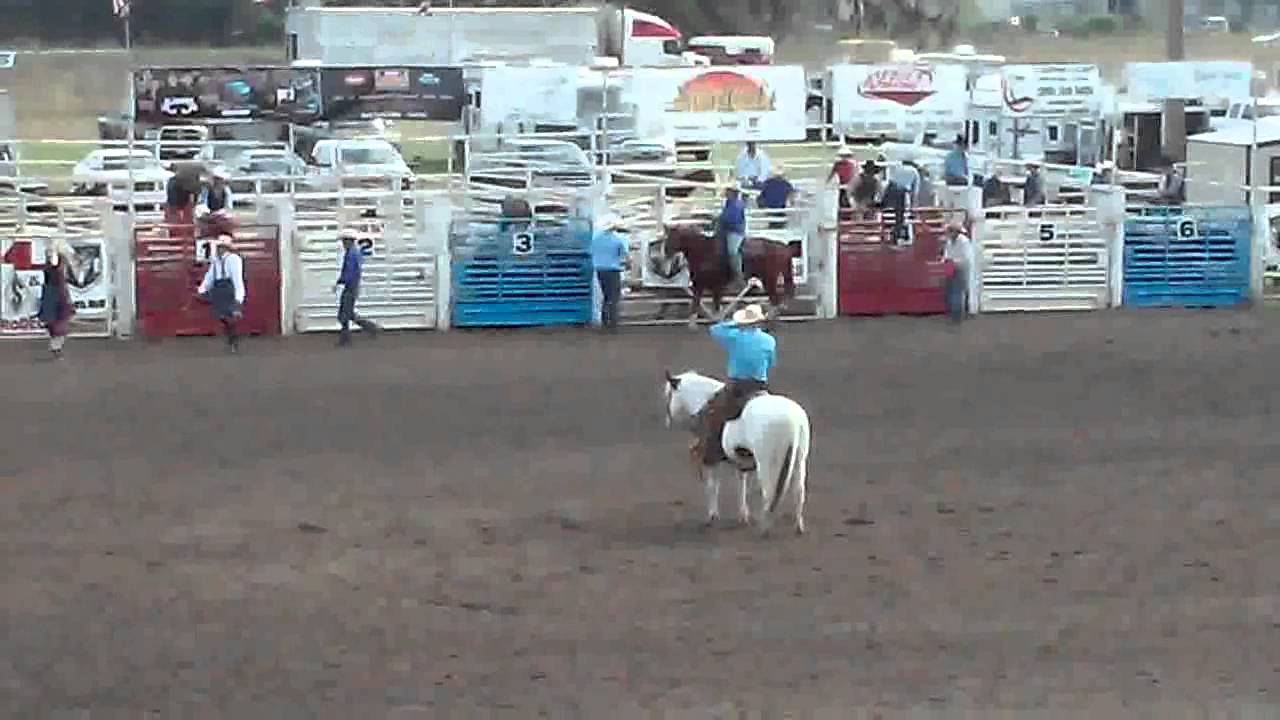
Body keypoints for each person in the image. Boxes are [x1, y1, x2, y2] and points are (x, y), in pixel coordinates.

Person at [693, 300, 775, 467]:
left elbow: (715, 328)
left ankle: (712, 453)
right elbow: (771, 363)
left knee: (714, 413)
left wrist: (735, 322)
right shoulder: (769, 340)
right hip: (760, 385)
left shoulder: (734, 337)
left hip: (738, 386)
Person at [197, 234, 246, 353]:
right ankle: (231, 340)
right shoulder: (216, 260)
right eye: (219, 247)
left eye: (222, 247)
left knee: (229, 317)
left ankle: (233, 342)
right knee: (222, 316)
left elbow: (237, 278)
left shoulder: (234, 259)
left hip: (229, 288)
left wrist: (239, 297)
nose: (219, 249)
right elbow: (210, 276)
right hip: (219, 288)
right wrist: (202, 289)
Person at [335, 229, 381, 347]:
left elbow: (349, 271)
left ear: (348, 241)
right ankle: (369, 328)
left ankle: (349, 336)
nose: (343, 244)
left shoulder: (351, 254)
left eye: (344, 241)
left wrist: (341, 281)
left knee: (345, 313)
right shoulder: (354, 252)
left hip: (351, 286)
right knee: (347, 312)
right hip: (353, 285)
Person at [37, 240, 76, 359]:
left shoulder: (56, 268)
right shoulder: (54, 268)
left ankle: (56, 346)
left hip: (56, 293)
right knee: (57, 322)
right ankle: (56, 346)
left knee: (57, 322)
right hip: (55, 293)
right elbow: (55, 267)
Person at [591, 214, 629, 331]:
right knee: (614, 297)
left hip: (599, 269)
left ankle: (604, 321)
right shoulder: (618, 239)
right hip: (613, 269)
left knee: (606, 296)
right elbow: (624, 255)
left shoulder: (596, 238)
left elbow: (591, 251)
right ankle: (613, 322)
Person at [941, 222, 975, 324]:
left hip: (961, 268)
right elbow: (947, 254)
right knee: (952, 290)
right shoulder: (950, 241)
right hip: (952, 267)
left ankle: (957, 314)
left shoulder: (963, 242)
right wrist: (946, 261)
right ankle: (955, 312)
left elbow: (966, 258)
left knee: (957, 291)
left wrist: (950, 261)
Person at [717, 184, 747, 282]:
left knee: (732, 251)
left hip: (735, 231)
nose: (726, 193)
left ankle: (738, 274)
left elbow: (730, 218)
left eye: (728, 191)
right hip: (727, 231)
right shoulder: (729, 203)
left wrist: (719, 219)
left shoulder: (736, 204)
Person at [884, 155, 920, 233]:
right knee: (900, 215)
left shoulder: (897, 168)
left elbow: (890, 181)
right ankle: (899, 230)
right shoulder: (914, 171)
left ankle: (891, 229)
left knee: (889, 213)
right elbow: (915, 191)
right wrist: (912, 207)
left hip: (891, 190)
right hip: (903, 193)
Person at [756, 163, 795, 229]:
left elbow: (760, 197)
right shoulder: (787, 185)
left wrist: (763, 206)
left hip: (769, 210)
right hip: (780, 210)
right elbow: (791, 200)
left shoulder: (767, 183)